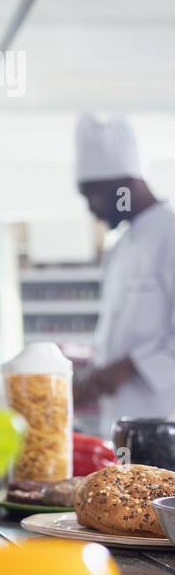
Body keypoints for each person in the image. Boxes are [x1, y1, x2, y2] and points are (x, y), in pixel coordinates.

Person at [72, 114, 175, 438]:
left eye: (95, 195)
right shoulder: (120, 248)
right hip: (116, 424)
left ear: (126, 185)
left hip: (162, 424)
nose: (92, 209)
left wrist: (126, 367)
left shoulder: (170, 234)